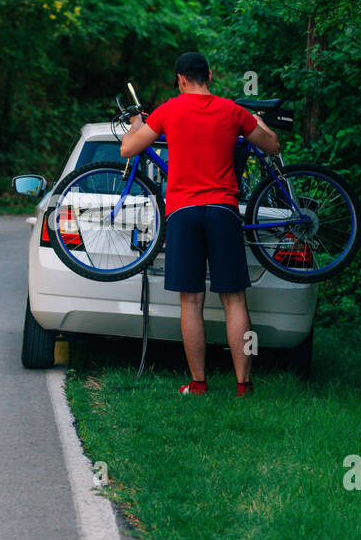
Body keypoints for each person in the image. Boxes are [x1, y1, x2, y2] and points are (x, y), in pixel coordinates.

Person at [119, 52, 281, 396]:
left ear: (180, 79)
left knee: (190, 302)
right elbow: (272, 145)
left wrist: (136, 121)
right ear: (208, 74)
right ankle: (243, 385)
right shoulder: (231, 111)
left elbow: (128, 149)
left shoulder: (167, 110)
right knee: (234, 301)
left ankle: (198, 383)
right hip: (222, 211)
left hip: (183, 212)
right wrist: (256, 120)